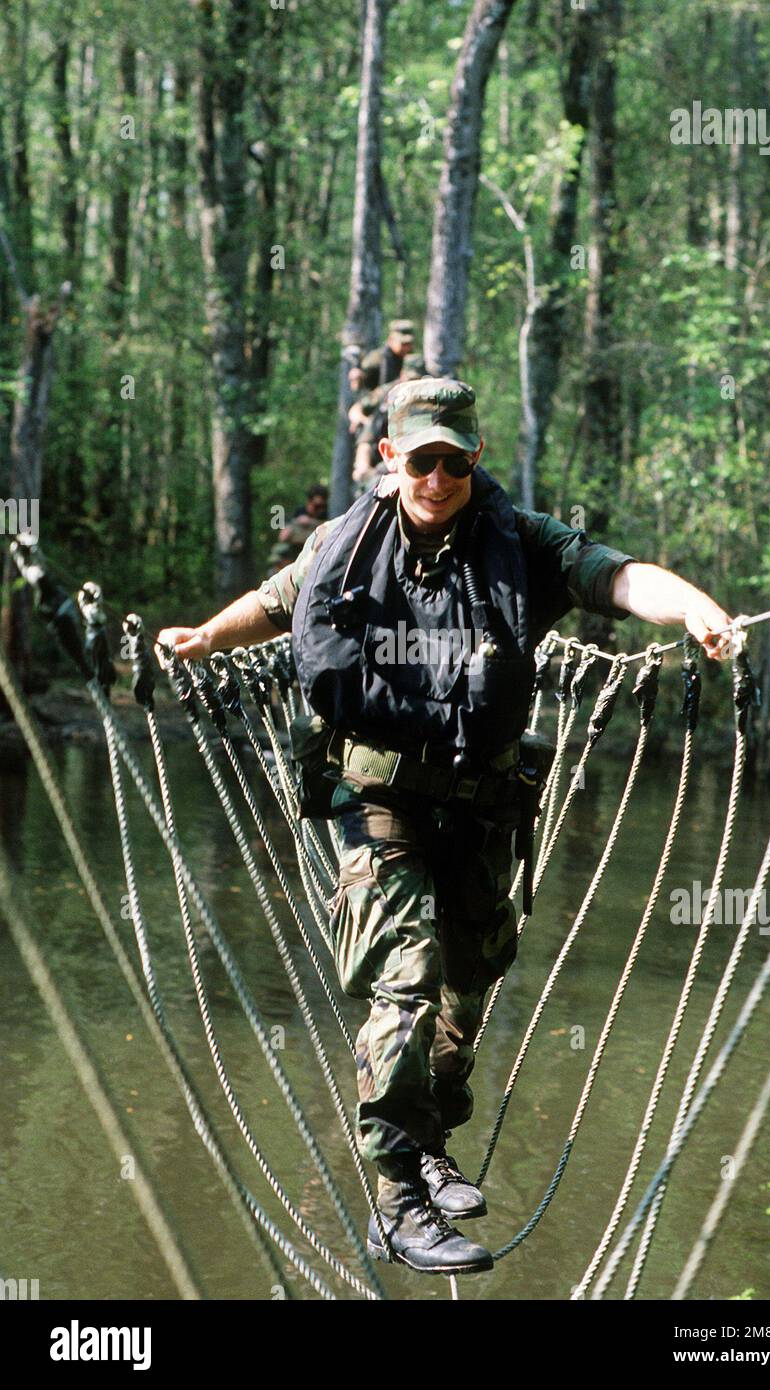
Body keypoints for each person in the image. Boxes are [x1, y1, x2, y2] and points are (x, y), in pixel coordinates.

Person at [156, 376, 732, 1278]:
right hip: (375, 796)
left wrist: (692, 605)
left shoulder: (521, 543)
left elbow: (615, 575)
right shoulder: (342, 547)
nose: (436, 479)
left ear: (475, 459)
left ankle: (429, 1137)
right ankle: (396, 1199)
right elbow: (276, 602)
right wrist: (203, 639)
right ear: (390, 461)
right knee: (407, 973)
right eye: (420, 460)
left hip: (478, 802)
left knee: (471, 975)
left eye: (453, 463)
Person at [353, 352, 426, 493]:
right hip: (386, 460)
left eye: (418, 381)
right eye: (411, 379)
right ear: (403, 375)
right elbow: (368, 432)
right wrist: (363, 465)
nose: (413, 385)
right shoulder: (388, 398)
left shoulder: (429, 401)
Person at [347, 319, 416, 436]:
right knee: (365, 445)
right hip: (377, 412)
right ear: (391, 340)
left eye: (409, 344)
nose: (406, 348)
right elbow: (362, 386)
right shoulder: (376, 359)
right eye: (403, 344)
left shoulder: (412, 360)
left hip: (403, 414)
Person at [265, 485, 328, 577]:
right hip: (295, 553)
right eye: (317, 506)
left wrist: (311, 523)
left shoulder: (325, 515)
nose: (320, 510)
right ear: (309, 502)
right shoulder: (300, 512)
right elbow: (283, 536)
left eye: (323, 506)